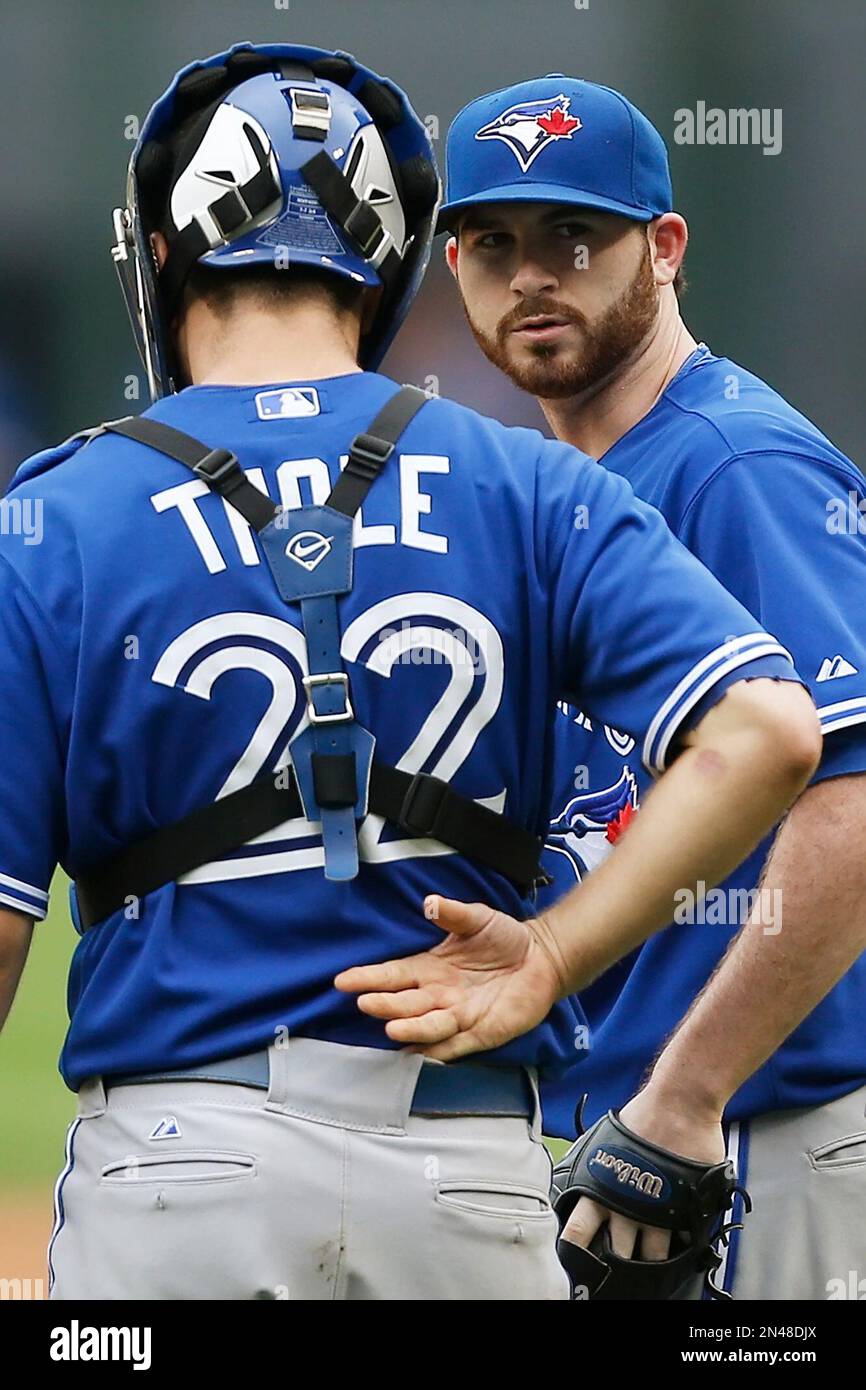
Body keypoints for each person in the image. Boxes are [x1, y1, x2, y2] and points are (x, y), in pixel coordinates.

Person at [0, 46, 819, 1303]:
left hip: (175, 1177)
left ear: (164, 253)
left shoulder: (57, 513)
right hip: (469, 1182)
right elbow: (767, 733)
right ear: (381, 267)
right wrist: (549, 952)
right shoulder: (535, 485)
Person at [413, 73, 866, 1299]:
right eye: (491, 244)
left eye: (574, 237)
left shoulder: (735, 465)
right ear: (450, 264)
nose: (529, 278)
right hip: (641, 1139)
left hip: (768, 1138)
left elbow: (853, 807)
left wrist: (685, 1095)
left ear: (661, 248)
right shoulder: (546, 488)